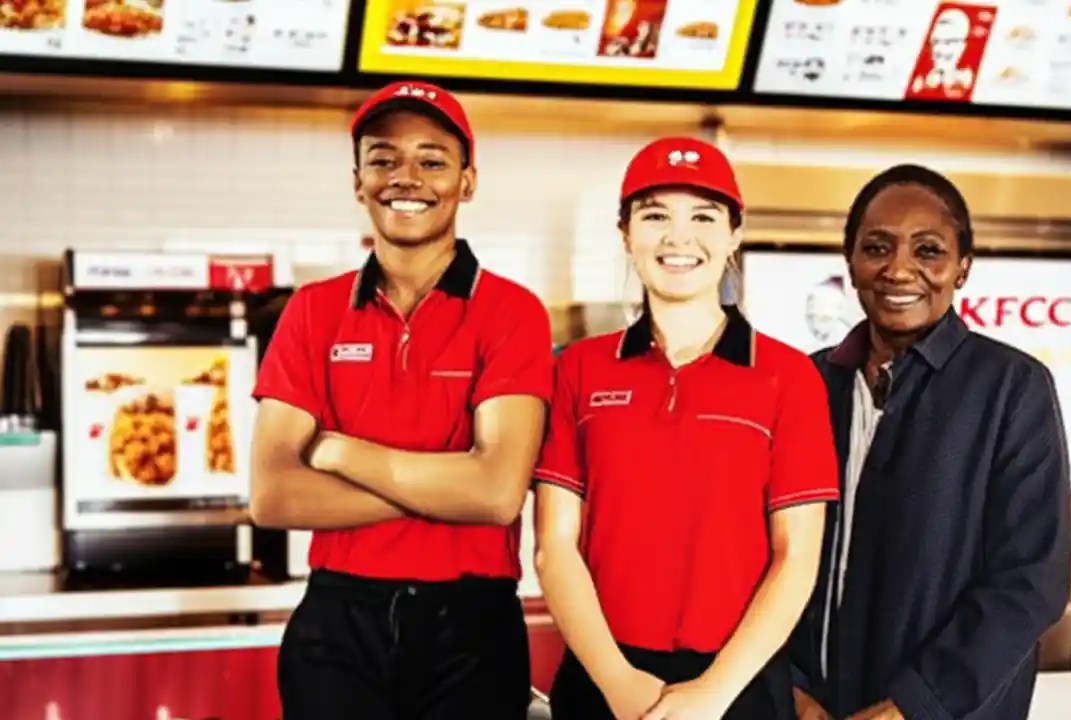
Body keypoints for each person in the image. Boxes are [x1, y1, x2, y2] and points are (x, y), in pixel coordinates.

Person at [249, 80, 553, 719]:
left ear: (467, 181)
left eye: (432, 160)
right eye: (383, 159)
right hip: (338, 624)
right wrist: (445, 490)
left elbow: (497, 492)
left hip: (470, 626)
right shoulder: (312, 311)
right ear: (357, 180)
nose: (405, 178)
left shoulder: (511, 312)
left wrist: (340, 452)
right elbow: (274, 495)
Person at [533, 137, 840, 720]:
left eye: (703, 216)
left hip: (739, 686)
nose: (679, 238)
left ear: (734, 235)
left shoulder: (787, 376)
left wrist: (712, 695)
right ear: (625, 234)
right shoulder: (578, 368)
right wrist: (620, 686)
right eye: (655, 216)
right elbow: (555, 547)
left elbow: (796, 557)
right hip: (604, 680)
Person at [790, 164, 1071, 720]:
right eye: (877, 247)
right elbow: (763, 557)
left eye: (928, 251)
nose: (900, 270)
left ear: (962, 267)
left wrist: (913, 707)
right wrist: (790, 689)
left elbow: (1030, 581)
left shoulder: (1011, 388)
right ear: (850, 263)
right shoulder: (805, 386)